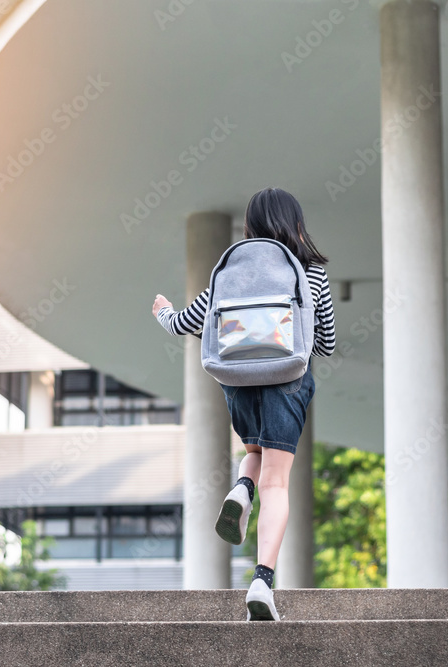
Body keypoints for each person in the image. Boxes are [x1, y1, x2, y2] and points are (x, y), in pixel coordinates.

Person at [151, 187, 336, 621]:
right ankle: (262, 582)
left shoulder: (231, 270)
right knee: (277, 483)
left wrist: (162, 311)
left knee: (253, 453)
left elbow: (186, 323)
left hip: (237, 383)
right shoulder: (309, 270)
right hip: (287, 380)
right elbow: (325, 342)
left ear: (249, 225)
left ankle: (240, 488)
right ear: (295, 223)